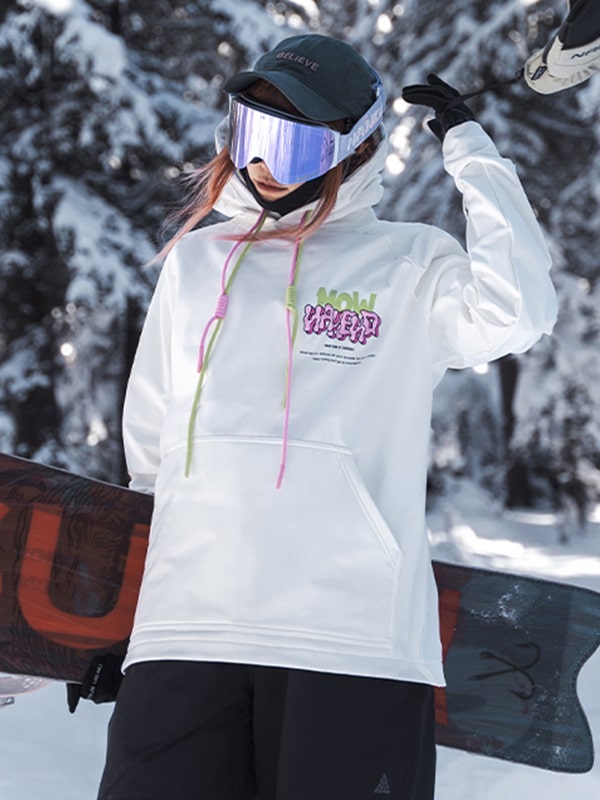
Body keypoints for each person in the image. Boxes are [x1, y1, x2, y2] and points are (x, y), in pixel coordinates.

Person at [95, 33, 557, 800]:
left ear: (355, 147)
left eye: (293, 143)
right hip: (187, 631)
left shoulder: (409, 264)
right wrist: (124, 622)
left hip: (351, 639)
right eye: (251, 131)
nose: (262, 162)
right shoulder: (197, 263)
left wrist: (472, 153)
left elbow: (519, 311)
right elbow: (151, 454)